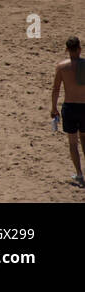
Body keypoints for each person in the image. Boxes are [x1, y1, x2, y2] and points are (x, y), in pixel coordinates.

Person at [51, 36, 85, 186]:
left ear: (66, 50)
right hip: (84, 106)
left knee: (73, 143)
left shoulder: (62, 66)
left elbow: (56, 89)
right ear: (79, 49)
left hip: (70, 107)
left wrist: (53, 107)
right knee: (84, 139)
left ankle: (79, 174)